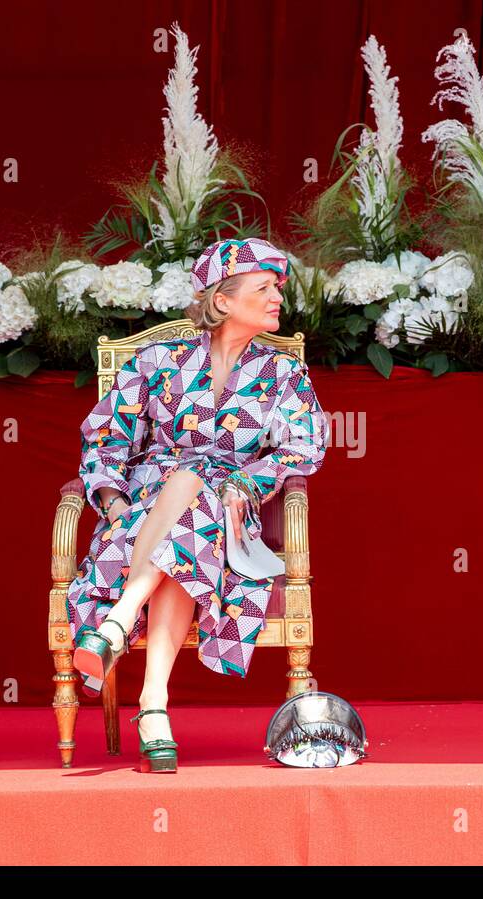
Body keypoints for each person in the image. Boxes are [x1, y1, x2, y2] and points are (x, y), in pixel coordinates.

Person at [66, 237, 328, 773]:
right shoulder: (157, 361)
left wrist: (248, 482)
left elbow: (305, 444)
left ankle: (117, 621)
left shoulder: (283, 375)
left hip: (228, 520)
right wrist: (114, 503)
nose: (278, 296)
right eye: (265, 287)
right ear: (224, 300)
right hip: (138, 519)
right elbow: (105, 438)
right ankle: (153, 705)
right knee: (187, 479)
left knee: (202, 485)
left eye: (277, 286)